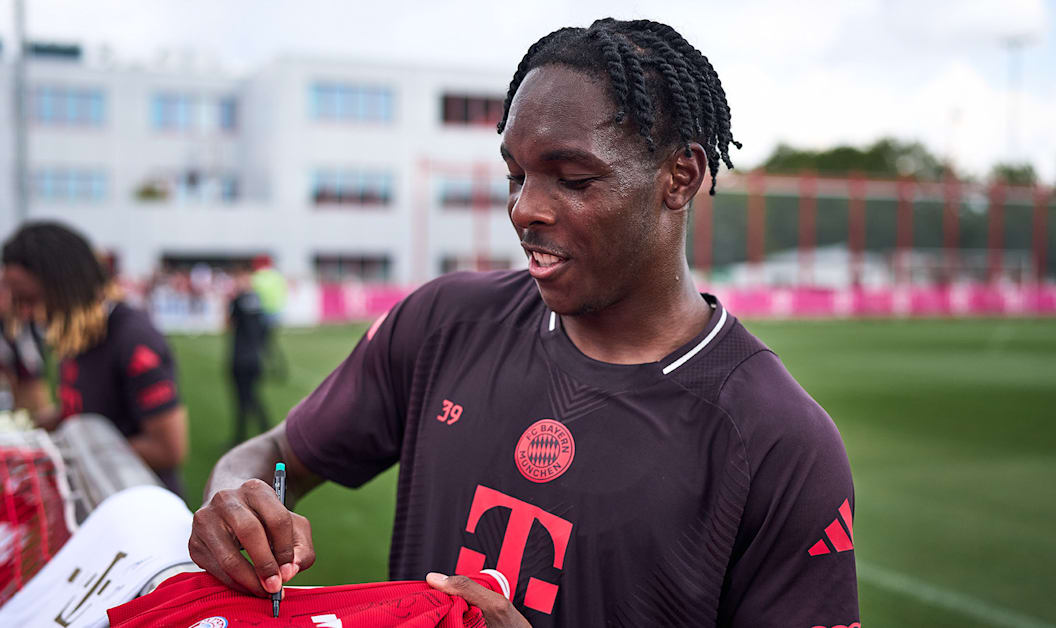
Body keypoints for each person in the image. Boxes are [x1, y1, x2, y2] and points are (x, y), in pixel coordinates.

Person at [189, 18, 858, 628]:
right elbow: (270, 458)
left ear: (679, 176)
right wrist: (235, 500)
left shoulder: (777, 439)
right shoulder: (443, 323)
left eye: (572, 180)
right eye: (516, 176)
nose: (525, 210)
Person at [0, 222, 189, 495]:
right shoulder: (75, 334)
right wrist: (17, 434)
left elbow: (168, 449)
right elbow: (80, 412)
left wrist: (66, 453)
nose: (26, 313)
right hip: (95, 497)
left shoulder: (133, 337)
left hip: (138, 507)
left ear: (65, 285)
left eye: (30, 299)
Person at [227, 269, 271, 444]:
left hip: (240, 357)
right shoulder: (258, 302)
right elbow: (265, 330)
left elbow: (229, 323)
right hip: (255, 357)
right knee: (251, 396)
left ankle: (252, 434)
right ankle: (256, 432)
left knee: (243, 399)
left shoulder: (237, 301)